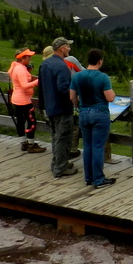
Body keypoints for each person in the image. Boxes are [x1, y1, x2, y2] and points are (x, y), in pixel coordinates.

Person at [70, 48, 116, 189]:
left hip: (84, 112)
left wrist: (79, 106)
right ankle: (99, 179)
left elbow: (72, 97)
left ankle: (88, 177)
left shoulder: (77, 76)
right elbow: (110, 97)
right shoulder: (103, 77)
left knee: (87, 146)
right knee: (98, 147)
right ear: (100, 61)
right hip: (99, 113)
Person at [39, 36, 78, 178]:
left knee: (56, 136)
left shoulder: (45, 64)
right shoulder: (62, 66)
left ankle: (58, 163)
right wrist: (74, 99)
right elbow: (63, 88)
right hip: (62, 108)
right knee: (63, 137)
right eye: (68, 46)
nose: (69, 48)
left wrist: (43, 106)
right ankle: (61, 168)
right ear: (62, 48)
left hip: (50, 107)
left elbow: (42, 87)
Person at [8, 48, 43, 153]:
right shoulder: (21, 70)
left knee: (20, 121)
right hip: (24, 100)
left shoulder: (15, 67)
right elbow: (24, 86)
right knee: (32, 121)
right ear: (22, 58)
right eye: (28, 57)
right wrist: (37, 81)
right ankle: (31, 143)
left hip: (16, 98)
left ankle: (23, 142)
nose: (30, 58)